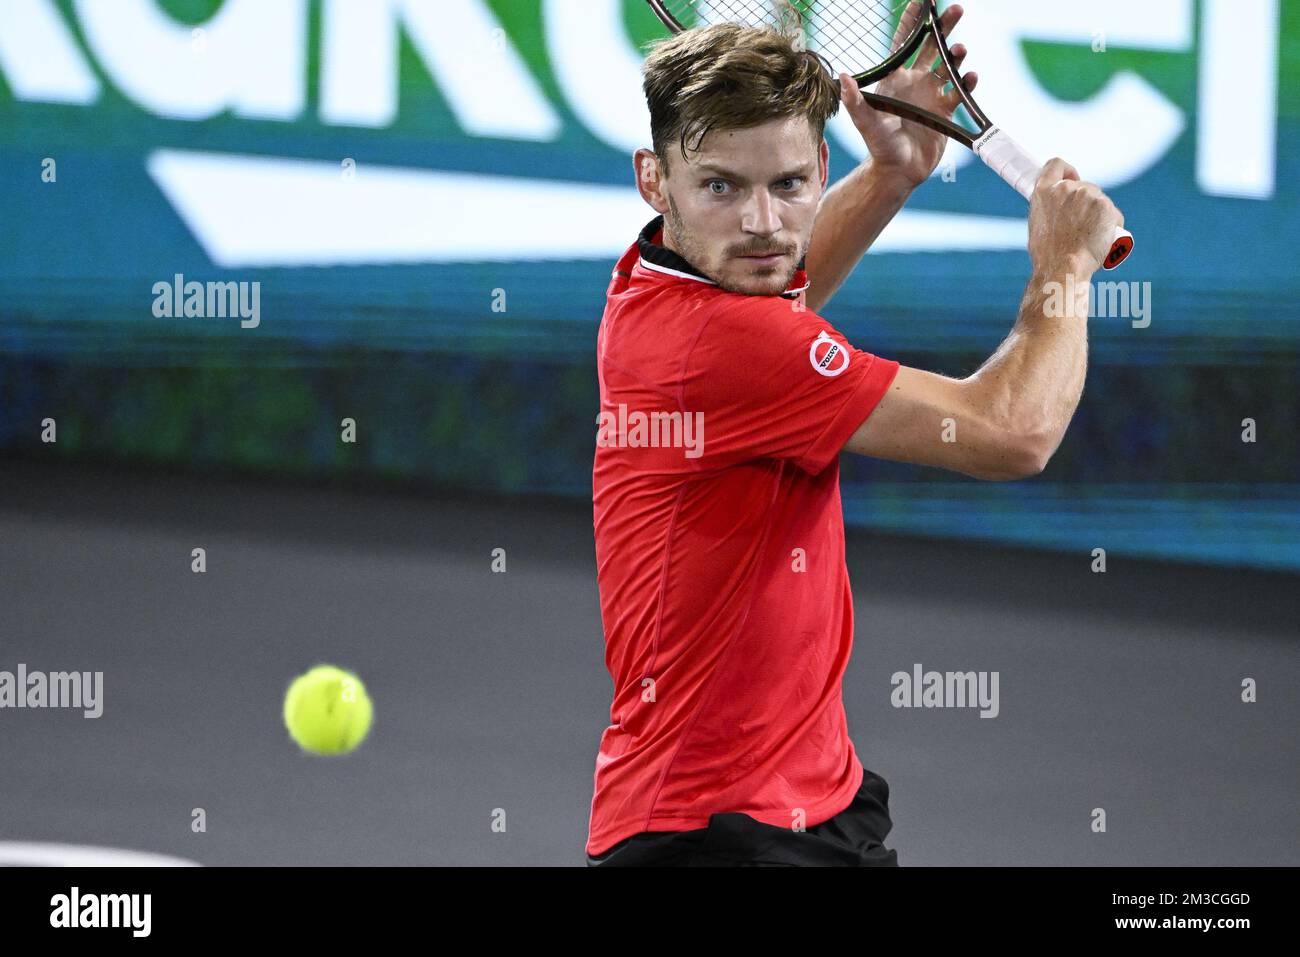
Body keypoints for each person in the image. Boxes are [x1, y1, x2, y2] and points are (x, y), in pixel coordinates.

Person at [586, 9, 1124, 866]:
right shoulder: (726, 345)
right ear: (655, 180)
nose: (764, 223)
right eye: (721, 187)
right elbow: (1015, 431)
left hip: (800, 801)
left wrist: (892, 174)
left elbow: (779, 296)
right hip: (716, 835)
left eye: (789, 183)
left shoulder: (661, 277)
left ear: (821, 167)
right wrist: (1064, 268)